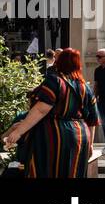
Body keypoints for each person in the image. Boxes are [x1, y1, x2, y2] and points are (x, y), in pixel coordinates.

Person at [1, 48, 99, 178]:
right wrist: (90, 144)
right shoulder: (85, 87)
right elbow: (92, 120)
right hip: (81, 136)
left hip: (54, 135)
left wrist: (18, 132)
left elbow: (41, 110)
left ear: (60, 63)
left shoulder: (55, 81)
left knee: (47, 170)